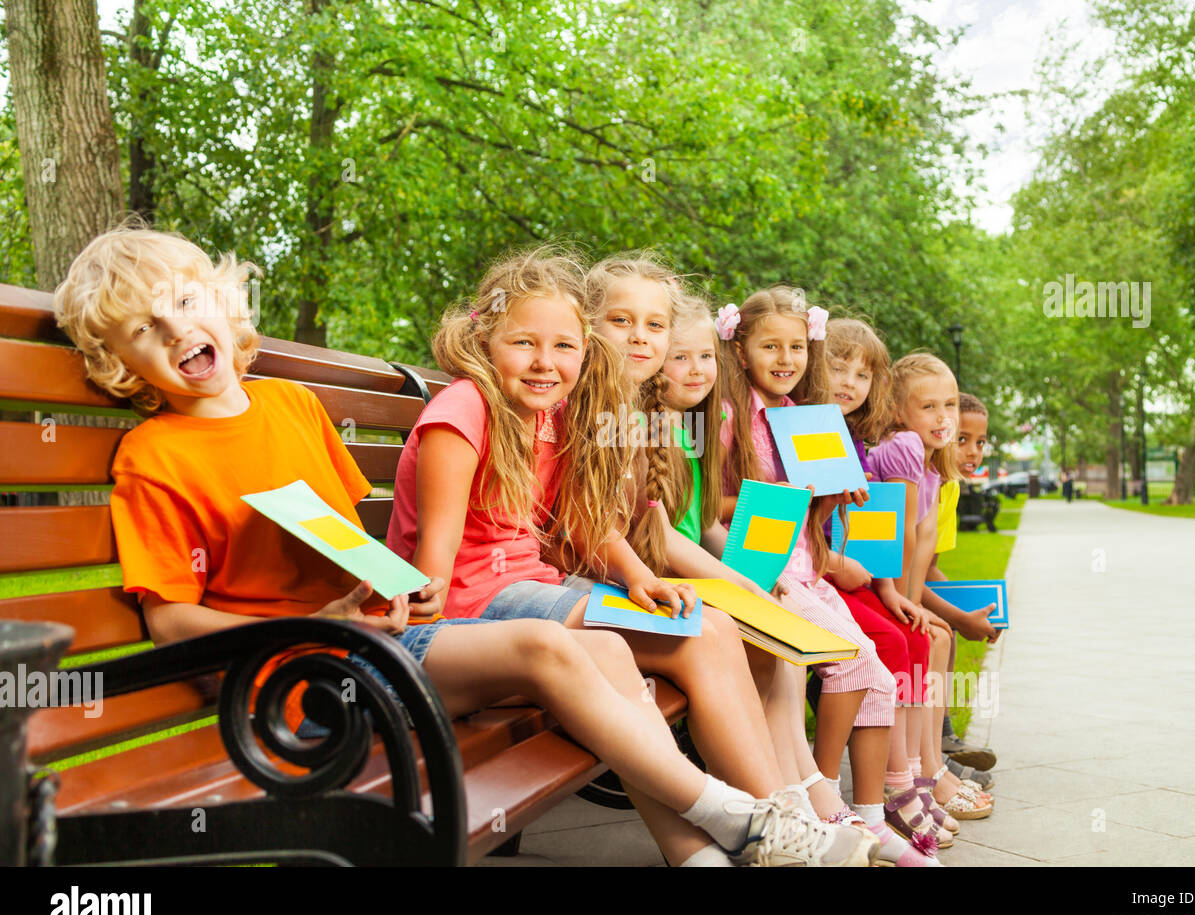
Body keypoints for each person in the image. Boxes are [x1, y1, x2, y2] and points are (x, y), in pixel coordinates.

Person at [55, 224, 863, 868]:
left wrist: (382, 593)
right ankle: (736, 815)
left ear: (224, 302)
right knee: (556, 648)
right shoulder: (154, 456)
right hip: (293, 685)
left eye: (185, 302)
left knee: (613, 658)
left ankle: (707, 856)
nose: (175, 329)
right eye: (143, 328)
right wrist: (341, 618)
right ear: (117, 364)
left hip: (374, 640)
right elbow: (169, 628)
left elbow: (352, 545)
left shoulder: (293, 407)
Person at [386, 244, 875, 866]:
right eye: (526, 344)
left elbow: (588, 522)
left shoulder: (548, 412)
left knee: (709, 628)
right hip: (484, 605)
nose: (545, 362)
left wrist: (641, 579)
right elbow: (440, 567)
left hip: (530, 589)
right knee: (694, 638)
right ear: (486, 338)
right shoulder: (467, 410)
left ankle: (757, 827)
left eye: (562, 347)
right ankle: (769, 830)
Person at [711, 287, 939, 857]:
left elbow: (815, 512)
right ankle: (826, 795)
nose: (786, 359)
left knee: (882, 678)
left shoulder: (802, 419)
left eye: (796, 347)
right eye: (771, 346)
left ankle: (869, 814)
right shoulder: (731, 418)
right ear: (741, 352)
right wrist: (788, 496)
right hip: (766, 571)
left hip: (808, 566)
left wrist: (837, 497)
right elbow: (713, 508)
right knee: (851, 662)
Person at [864, 354, 994, 834]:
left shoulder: (931, 465)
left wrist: (917, 604)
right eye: (929, 407)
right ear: (899, 411)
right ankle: (912, 775)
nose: (944, 418)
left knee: (934, 636)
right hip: (872, 579)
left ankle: (929, 766)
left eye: (950, 406)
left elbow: (922, 546)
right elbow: (896, 538)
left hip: (898, 586)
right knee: (926, 638)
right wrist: (906, 604)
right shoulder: (900, 448)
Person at [929, 391, 1000, 790]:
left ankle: (940, 732)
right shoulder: (920, 481)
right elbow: (905, 573)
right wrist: (956, 614)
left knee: (948, 627)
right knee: (940, 628)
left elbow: (929, 568)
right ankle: (929, 754)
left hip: (904, 583)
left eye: (980, 442)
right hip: (875, 587)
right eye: (962, 440)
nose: (973, 452)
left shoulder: (949, 486)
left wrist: (977, 609)